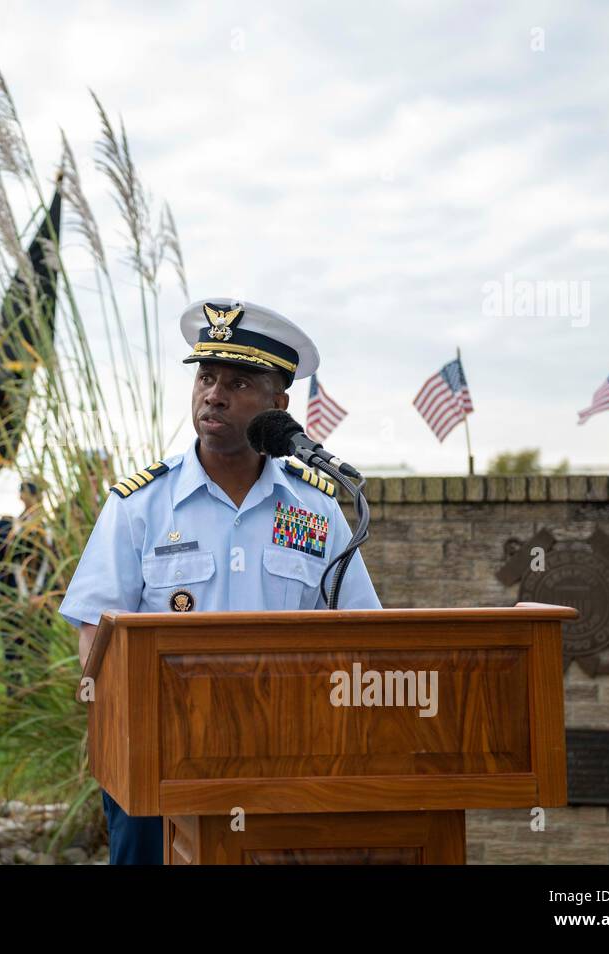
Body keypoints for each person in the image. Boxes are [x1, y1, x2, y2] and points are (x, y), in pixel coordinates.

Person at [58, 298, 381, 865]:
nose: (214, 394)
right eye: (206, 377)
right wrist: (132, 735)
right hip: (159, 759)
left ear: (279, 404)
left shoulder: (318, 508)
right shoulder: (141, 505)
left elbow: (361, 635)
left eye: (238, 382)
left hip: (285, 756)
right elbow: (95, 638)